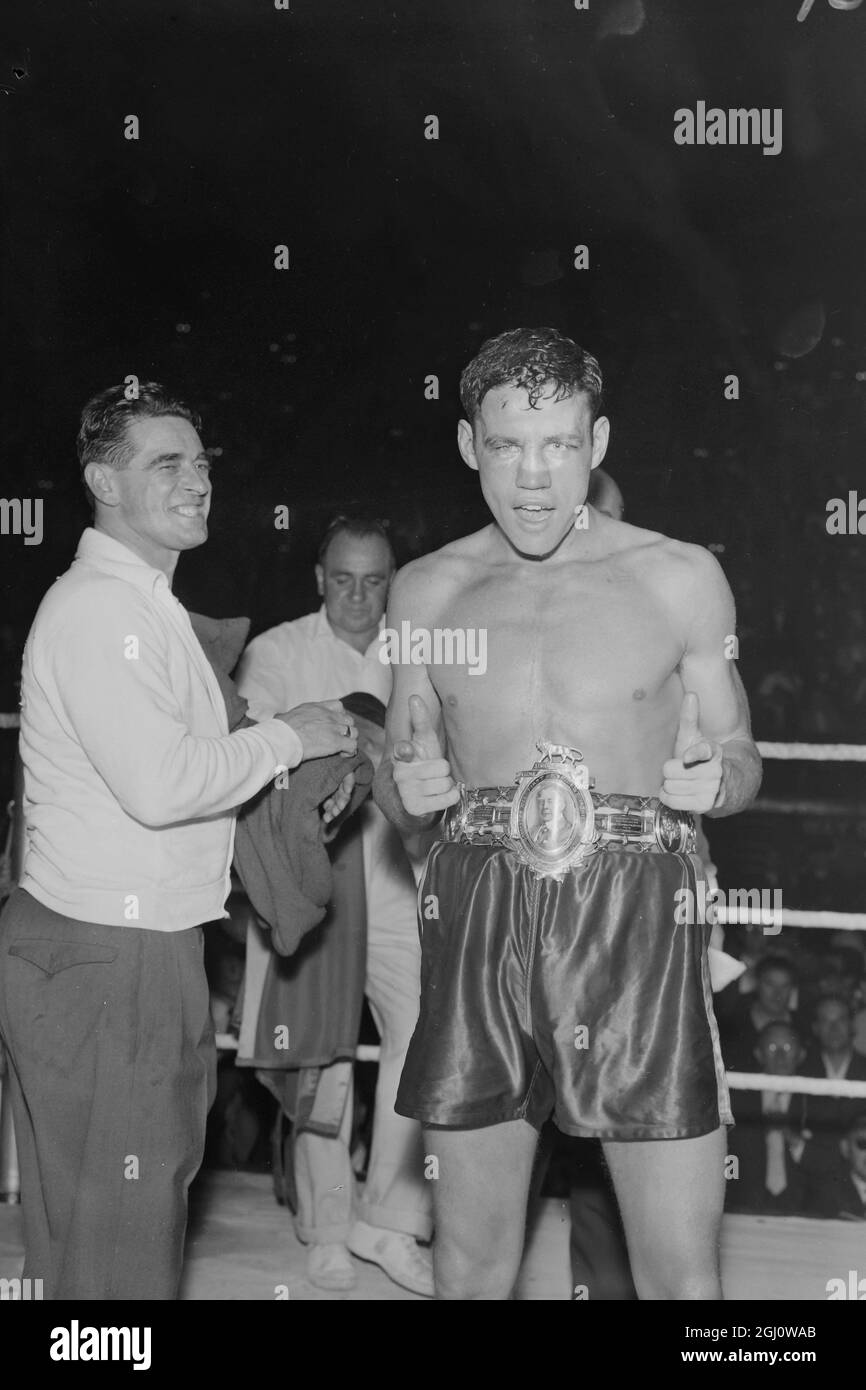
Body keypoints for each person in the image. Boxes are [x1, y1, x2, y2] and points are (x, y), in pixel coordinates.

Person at [373, 325, 762, 1300]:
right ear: (470, 447)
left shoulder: (677, 577)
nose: (534, 476)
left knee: (677, 1274)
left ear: (595, 443)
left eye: (557, 444)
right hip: (476, 910)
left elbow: (740, 751)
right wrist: (403, 787)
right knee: (468, 1264)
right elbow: (397, 762)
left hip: (631, 913)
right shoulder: (426, 590)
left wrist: (716, 779)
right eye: (506, 446)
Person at [0, 383, 356, 1300]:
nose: (197, 480)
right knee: (119, 1244)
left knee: (97, 1240)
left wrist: (285, 768)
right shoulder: (103, 613)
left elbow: (190, 768)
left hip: (124, 950)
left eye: (200, 463)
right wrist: (292, 739)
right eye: (167, 463)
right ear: (102, 482)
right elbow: (162, 787)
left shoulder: (143, 607)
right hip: (109, 955)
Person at [236, 516, 433, 1296]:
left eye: (375, 579)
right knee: (316, 1046)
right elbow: (251, 764)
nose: (357, 595)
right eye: (343, 578)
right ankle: (325, 1224)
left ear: (394, 580)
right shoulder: (275, 651)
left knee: (424, 1034)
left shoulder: (417, 655)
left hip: (395, 863)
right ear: (320, 576)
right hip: (306, 869)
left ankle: (388, 1221)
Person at [725, 1021, 808, 1216]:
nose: (780, 1055)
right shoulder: (736, 1101)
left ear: (801, 1054)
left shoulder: (816, 1102)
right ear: (758, 1054)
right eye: (772, 1047)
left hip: (804, 1208)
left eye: (787, 1047)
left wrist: (791, 1136)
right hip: (746, 1207)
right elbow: (729, 1158)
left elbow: (828, 1164)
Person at [719, 954, 797, 1071]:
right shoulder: (732, 1027)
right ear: (757, 984)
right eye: (770, 984)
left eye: (784, 986)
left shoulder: (804, 1027)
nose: (777, 994)